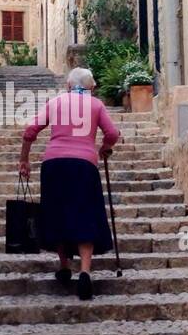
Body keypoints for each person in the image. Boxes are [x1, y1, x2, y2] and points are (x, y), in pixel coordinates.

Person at [18, 67, 122, 301]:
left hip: (54, 165)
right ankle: (85, 272)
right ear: (91, 87)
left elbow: (30, 131)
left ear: (68, 85)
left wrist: (24, 160)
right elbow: (113, 133)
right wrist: (105, 148)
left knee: (57, 214)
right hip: (84, 166)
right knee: (85, 215)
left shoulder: (55, 102)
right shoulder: (96, 105)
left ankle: (64, 267)